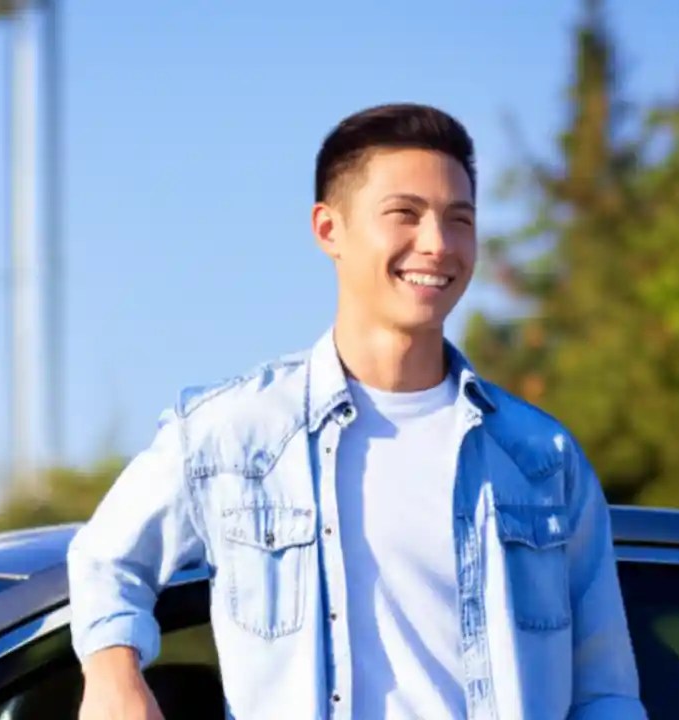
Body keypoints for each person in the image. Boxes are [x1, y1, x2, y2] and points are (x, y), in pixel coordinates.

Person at [66, 103, 645, 719]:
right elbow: (105, 558)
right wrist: (115, 679)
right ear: (328, 229)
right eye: (405, 214)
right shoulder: (232, 436)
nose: (438, 245)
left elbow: (603, 689)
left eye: (460, 219)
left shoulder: (540, 458)